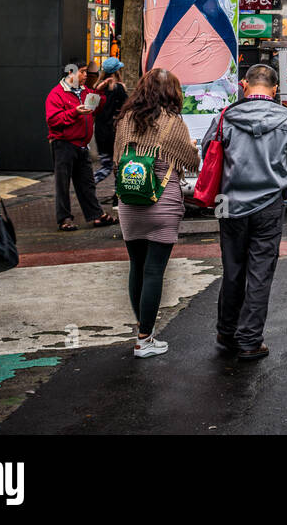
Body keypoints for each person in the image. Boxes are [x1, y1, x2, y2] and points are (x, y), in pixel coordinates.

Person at [202, 64, 287, 361]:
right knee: (260, 272)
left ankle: (226, 329)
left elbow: (208, 151)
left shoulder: (226, 117)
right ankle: (249, 340)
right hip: (269, 203)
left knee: (233, 268)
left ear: (245, 85)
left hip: (228, 202)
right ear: (274, 90)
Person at [113, 69, 200, 358]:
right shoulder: (173, 123)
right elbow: (190, 163)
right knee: (153, 271)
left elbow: (117, 159)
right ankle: (144, 339)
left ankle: (142, 331)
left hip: (129, 201)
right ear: (171, 93)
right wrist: (193, 149)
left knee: (136, 267)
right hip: (162, 202)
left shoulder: (125, 121)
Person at [46, 61, 115, 231]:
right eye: (82, 72)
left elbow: (94, 109)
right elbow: (53, 120)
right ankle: (64, 219)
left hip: (82, 145)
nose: (86, 75)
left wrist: (99, 91)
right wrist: (74, 112)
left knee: (87, 182)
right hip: (64, 144)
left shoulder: (84, 91)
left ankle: (96, 215)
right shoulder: (56, 94)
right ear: (71, 73)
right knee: (63, 184)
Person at [92, 57, 128, 184]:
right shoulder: (120, 89)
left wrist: (97, 90)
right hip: (114, 132)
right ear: (117, 72)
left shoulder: (97, 88)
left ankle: (88, 185)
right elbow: (127, 108)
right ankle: (117, 199)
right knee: (119, 166)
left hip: (100, 132)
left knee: (106, 166)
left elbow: (89, 108)